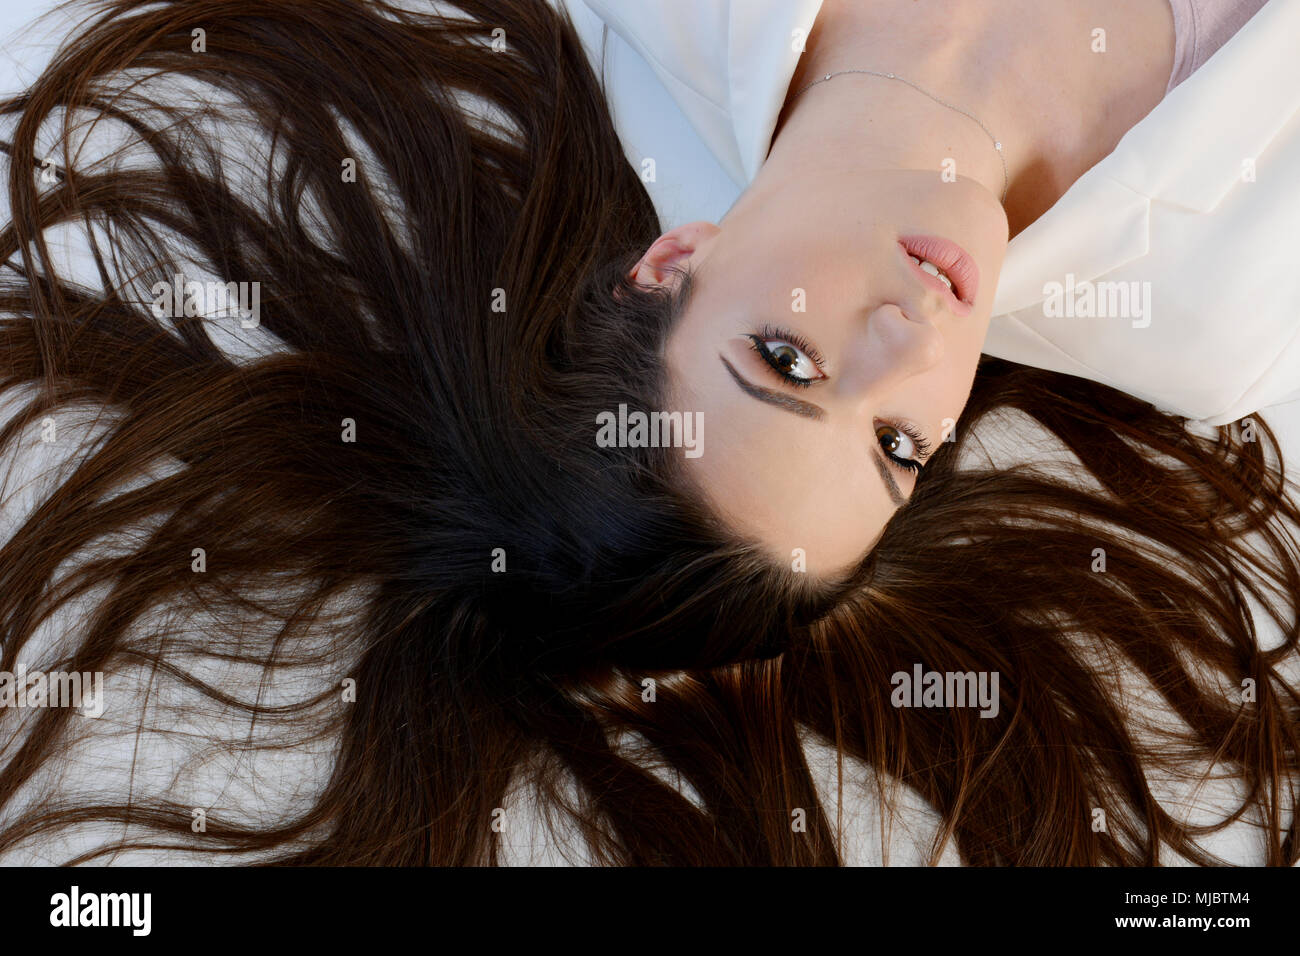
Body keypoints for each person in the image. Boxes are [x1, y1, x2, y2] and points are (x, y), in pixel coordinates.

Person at [0, 0, 1295, 865]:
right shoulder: (1217, 309)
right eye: (899, 447)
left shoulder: (674, 23)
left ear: (677, 258)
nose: (910, 347)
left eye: (787, 360)